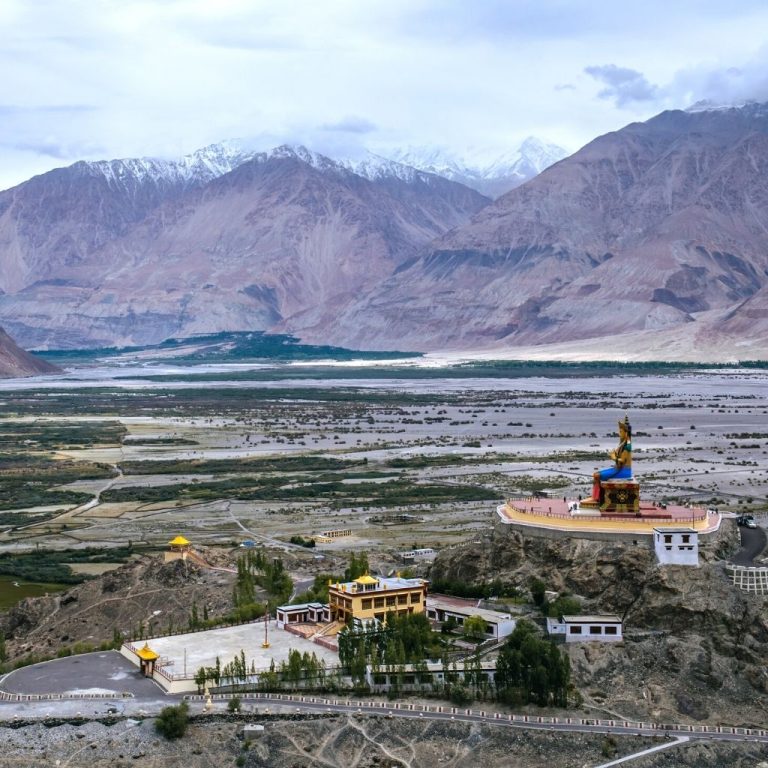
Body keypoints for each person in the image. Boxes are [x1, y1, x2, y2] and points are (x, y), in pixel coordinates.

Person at [592, 415, 632, 501]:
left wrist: (614, 457)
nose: (619, 433)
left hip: (623, 471)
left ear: (625, 433)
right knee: (596, 474)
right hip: (617, 468)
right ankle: (597, 496)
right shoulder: (622, 444)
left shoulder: (627, 446)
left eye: (621, 431)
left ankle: (596, 498)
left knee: (596, 476)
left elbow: (622, 461)